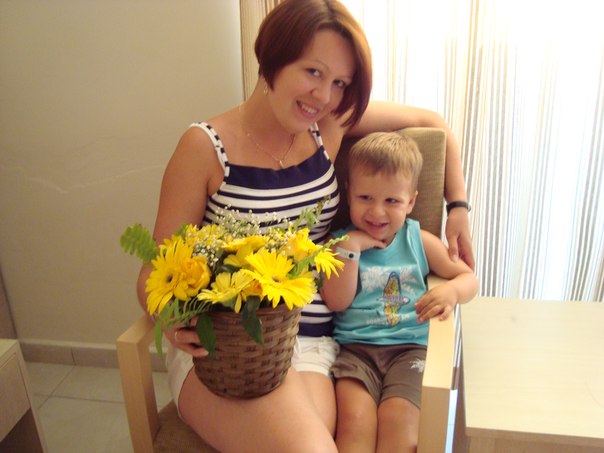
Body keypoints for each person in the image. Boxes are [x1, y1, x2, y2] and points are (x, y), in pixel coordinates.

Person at [136, 0, 474, 451]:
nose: (324, 96)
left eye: (339, 83)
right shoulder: (203, 148)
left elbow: (434, 125)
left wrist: (458, 207)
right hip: (231, 349)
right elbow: (153, 272)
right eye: (313, 72)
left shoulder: (326, 129)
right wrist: (170, 317)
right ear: (273, 56)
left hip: (314, 341)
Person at [320, 132, 479, 453]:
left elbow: (469, 278)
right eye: (366, 197)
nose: (377, 212)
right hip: (356, 352)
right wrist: (351, 248)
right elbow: (336, 302)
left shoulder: (417, 240)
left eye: (391, 201)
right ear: (349, 194)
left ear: (411, 202)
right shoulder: (339, 245)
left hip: (409, 351)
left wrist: (451, 292)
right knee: (355, 425)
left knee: (401, 426)